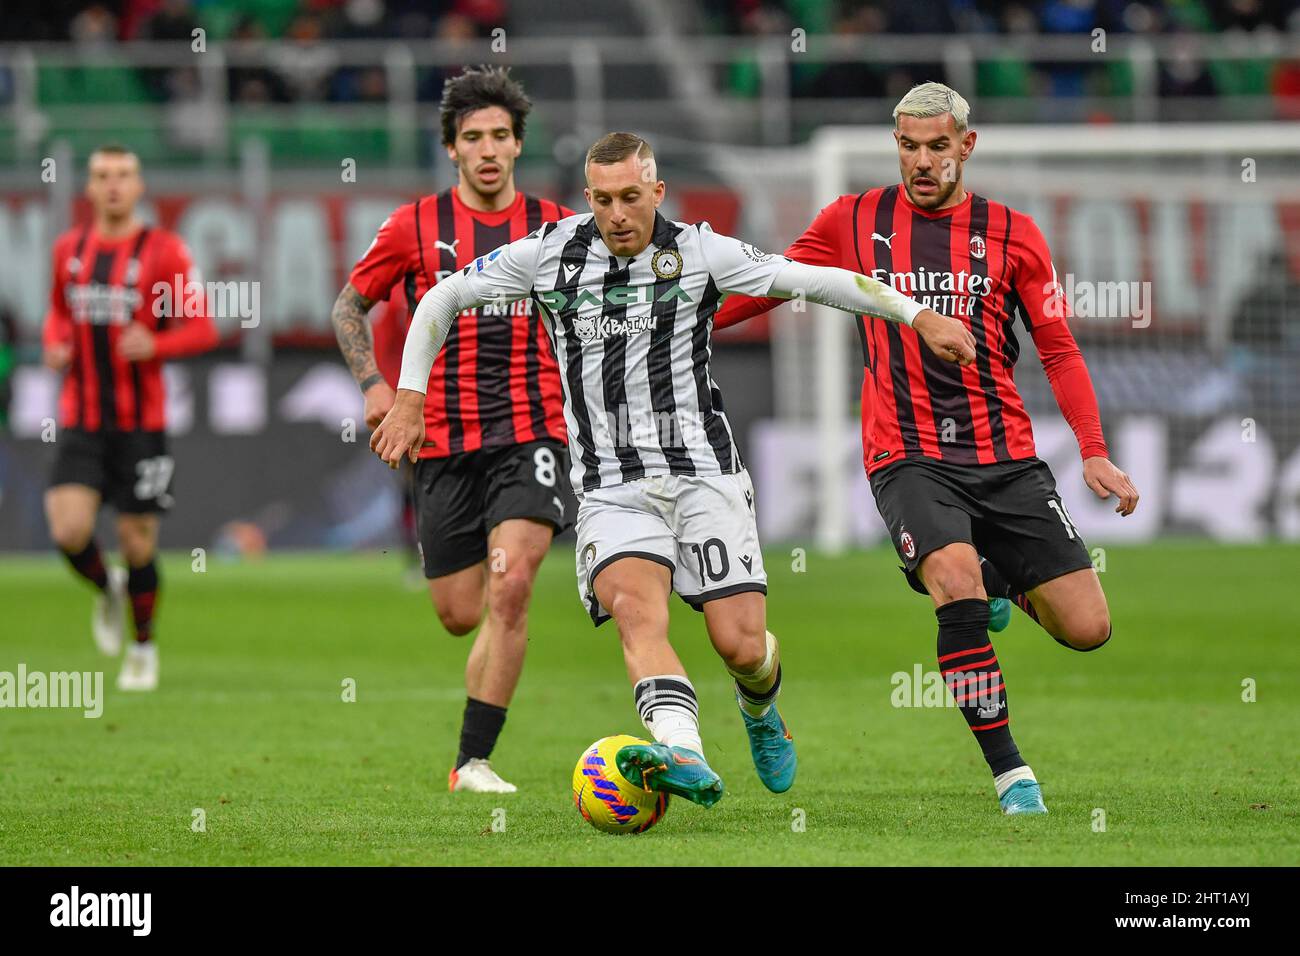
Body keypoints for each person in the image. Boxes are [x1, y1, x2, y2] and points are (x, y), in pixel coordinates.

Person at [371, 131, 976, 808]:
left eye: (631, 197)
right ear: (588, 198)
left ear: (657, 192)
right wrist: (410, 398)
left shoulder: (700, 252)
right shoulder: (548, 254)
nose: (617, 214)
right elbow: (440, 298)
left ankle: (759, 707)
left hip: (703, 475)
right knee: (636, 611)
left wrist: (918, 314)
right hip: (611, 487)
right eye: (603, 200)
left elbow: (814, 280)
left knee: (741, 646)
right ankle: (684, 752)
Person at [719, 82, 1140, 815]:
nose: (922, 162)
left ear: (965, 146)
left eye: (938, 147)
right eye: (909, 147)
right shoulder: (852, 219)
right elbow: (773, 285)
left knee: (1087, 628)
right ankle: (1012, 776)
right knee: (952, 580)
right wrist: (684, 321)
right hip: (907, 452)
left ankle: (996, 579)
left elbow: (1059, 349)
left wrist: (1094, 450)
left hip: (1003, 453)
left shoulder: (1014, 234)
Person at [331, 66, 575, 794]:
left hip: (533, 431)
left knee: (513, 584)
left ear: (519, 143)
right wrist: (374, 385)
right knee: (460, 614)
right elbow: (348, 307)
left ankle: (473, 761)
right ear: (451, 148)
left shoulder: (560, 226)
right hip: (441, 443)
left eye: (500, 135)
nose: (488, 149)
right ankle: (474, 745)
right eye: (474, 138)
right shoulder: (412, 226)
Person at [44, 144, 218, 691]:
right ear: (89, 188)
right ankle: (109, 588)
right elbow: (56, 314)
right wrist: (54, 345)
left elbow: (203, 327)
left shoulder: (164, 251)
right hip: (82, 418)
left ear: (140, 186)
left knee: (138, 542)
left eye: (123, 175)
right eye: (102, 176)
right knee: (68, 530)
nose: (113, 185)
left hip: (141, 423)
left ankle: (143, 647)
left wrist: (156, 344)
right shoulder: (68, 250)